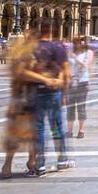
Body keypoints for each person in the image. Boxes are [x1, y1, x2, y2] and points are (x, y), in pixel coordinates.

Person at [0, 32, 55, 178]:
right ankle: (14, 164)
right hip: (25, 96)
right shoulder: (26, 55)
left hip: (27, 95)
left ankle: (25, 163)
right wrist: (45, 79)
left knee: (31, 131)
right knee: (22, 131)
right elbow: (21, 73)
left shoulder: (29, 54)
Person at [31, 26, 72, 174]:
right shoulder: (58, 48)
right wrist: (64, 93)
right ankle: (62, 160)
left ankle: (40, 164)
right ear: (51, 31)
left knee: (39, 129)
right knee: (56, 127)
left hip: (37, 92)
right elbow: (66, 72)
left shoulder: (32, 49)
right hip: (54, 93)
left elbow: (25, 71)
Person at [66, 37, 93, 139]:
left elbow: (85, 66)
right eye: (74, 43)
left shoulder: (88, 53)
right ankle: (70, 131)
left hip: (82, 82)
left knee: (81, 108)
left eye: (78, 42)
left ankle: (81, 130)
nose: (76, 45)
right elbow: (67, 66)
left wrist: (75, 58)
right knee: (70, 108)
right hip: (71, 82)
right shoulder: (70, 52)